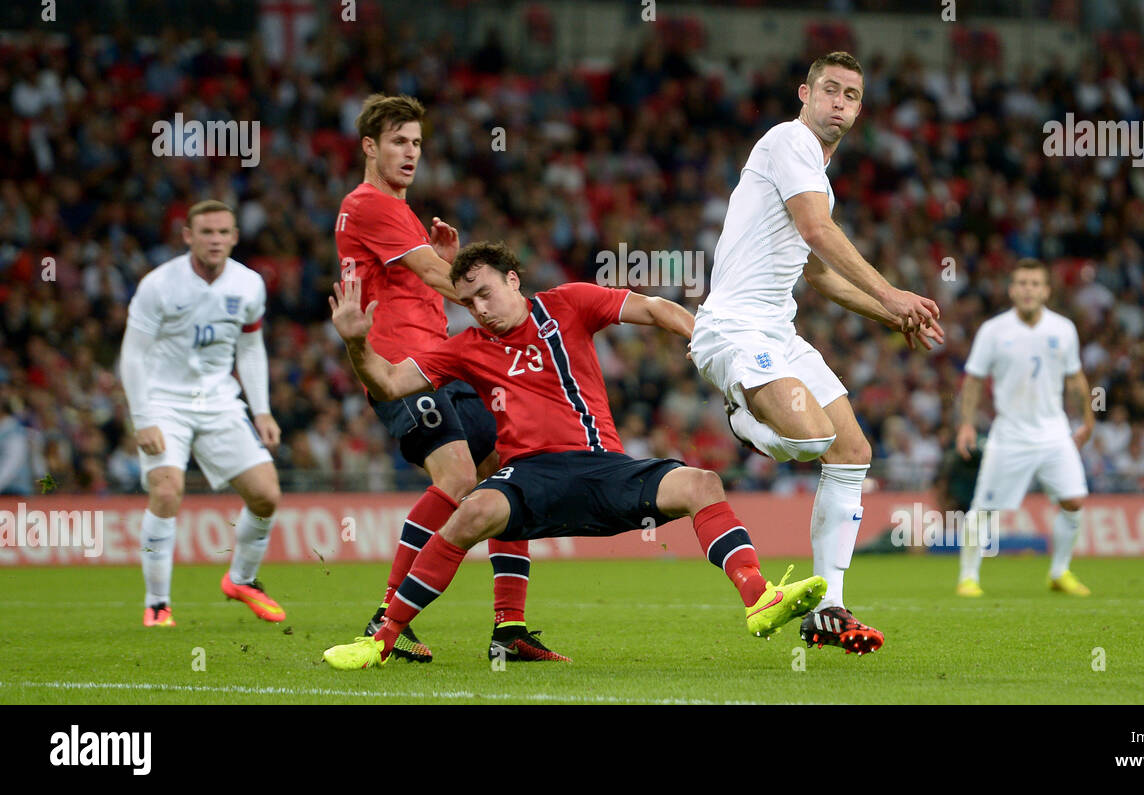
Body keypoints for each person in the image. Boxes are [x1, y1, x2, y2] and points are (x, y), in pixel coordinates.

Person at [321, 242, 826, 669]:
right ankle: (383, 639)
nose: (479, 308)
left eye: (485, 293)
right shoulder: (466, 346)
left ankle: (758, 597)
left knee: (703, 484)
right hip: (531, 476)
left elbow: (652, 308)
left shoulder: (568, 303)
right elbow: (388, 382)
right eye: (469, 302)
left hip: (602, 466)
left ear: (513, 281)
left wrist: (709, 344)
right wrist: (355, 345)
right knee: (472, 508)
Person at [690, 51, 942, 655]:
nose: (839, 103)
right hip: (734, 330)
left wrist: (891, 315)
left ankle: (827, 607)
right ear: (804, 93)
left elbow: (820, 276)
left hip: (779, 332)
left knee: (852, 449)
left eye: (852, 96)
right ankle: (740, 415)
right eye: (830, 90)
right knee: (808, 440)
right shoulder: (788, 141)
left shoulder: (816, 174)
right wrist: (891, 291)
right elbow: (818, 234)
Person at [335, 93, 564, 663]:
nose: (410, 153)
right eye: (397, 142)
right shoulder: (370, 203)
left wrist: (444, 263)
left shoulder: (396, 212)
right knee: (460, 475)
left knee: (509, 474)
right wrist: (512, 305)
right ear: (370, 146)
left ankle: (509, 628)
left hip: (443, 361)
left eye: (416, 143)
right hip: (402, 368)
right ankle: (387, 616)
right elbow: (437, 278)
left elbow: (422, 276)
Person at [118, 200, 285, 627]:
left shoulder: (248, 284)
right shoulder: (159, 285)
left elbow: (249, 347)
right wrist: (142, 418)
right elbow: (132, 356)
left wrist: (262, 410)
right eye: (206, 232)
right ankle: (158, 603)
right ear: (188, 236)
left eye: (223, 232)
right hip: (163, 401)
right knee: (167, 490)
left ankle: (242, 580)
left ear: (234, 236)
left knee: (266, 495)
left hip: (219, 401)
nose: (215, 240)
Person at [955, 259, 1095, 597]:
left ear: (1046, 291)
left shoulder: (1063, 329)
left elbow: (1075, 377)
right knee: (984, 508)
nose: (1028, 289)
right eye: (1022, 283)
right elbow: (973, 380)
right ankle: (968, 578)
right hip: (1009, 435)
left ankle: (1059, 572)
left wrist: (1088, 419)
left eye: (1035, 283)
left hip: (1053, 433)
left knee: (1074, 501)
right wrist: (966, 425)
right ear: (1012, 290)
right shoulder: (993, 330)